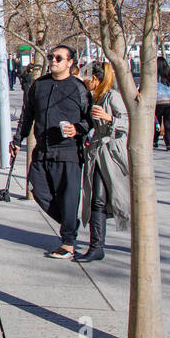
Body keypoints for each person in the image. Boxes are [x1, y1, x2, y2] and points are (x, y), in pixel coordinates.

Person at [10, 45, 92, 259]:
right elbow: (27, 114)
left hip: (68, 152)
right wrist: (18, 139)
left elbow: (89, 119)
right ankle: (69, 223)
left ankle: (68, 242)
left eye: (58, 58)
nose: (53, 61)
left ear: (70, 62)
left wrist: (78, 129)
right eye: (51, 57)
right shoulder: (40, 85)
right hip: (42, 149)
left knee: (68, 197)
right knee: (38, 190)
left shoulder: (78, 88)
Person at [77, 60, 130, 263]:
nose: (85, 82)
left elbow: (129, 121)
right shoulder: (95, 97)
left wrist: (109, 118)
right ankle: (96, 246)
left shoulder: (113, 96)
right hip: (97, 151)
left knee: (115, 199)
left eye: (87, 79)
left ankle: (98, 246)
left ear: (96, 79)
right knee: (96, 199)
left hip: (111, 154)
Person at [154, 57, 170, 151]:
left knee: (156, 122)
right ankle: (168, 144)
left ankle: (155, 141)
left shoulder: (155, 76)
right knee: (168, 123)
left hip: (159, 102)